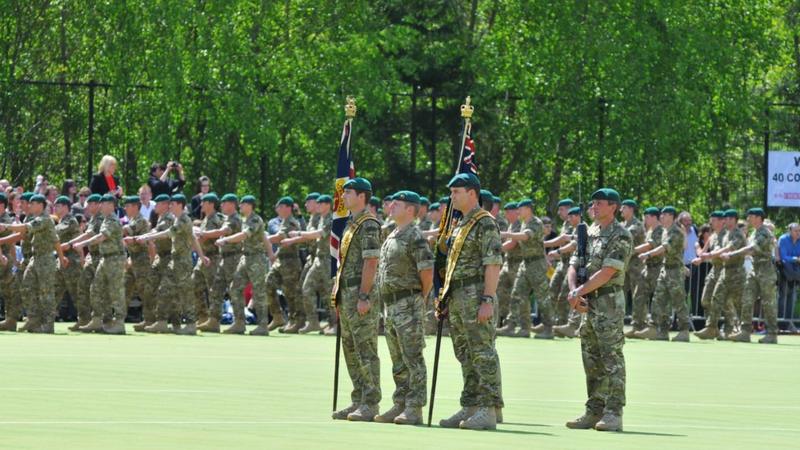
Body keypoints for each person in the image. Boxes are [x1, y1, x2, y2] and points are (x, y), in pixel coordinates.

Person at [436, 173, 503, 431]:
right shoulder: (460, 223)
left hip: (476, 295)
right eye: (451, 192)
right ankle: (471, 405)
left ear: (472, 193)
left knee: (482, 352)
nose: (452, 197)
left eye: (457, 192)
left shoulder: (485, 222)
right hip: (458, 296)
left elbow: (493, 263)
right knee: (465, 353)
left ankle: (488, 409)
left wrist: (488, 298)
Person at [564, 188, 632, 433]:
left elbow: (608, 272)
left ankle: (613, 413)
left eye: (600, 203)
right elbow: (574, 264)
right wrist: (575, 290)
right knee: (590, 359)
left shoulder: (620, 235)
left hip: (608, 302)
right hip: (588, 302)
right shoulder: (588, 232)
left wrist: (579, 291)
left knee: (611, 359)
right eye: (593, 204)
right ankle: (594, 410)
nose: (594, 207)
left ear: (613, 207)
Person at [373, 191, 433, 425]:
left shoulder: (415, 236)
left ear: (410, 209)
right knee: (397, 359)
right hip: (390, 304)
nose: (390, 207)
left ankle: (414, 407)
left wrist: (420, 299)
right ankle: (400, 402)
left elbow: (426, 272)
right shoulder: (392, 235)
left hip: (408, 304)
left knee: (412, 356)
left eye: (396, 204)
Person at [331, 177, 382, 422]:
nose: (343, 196)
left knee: (365, 349)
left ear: (362, 196)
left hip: (360, 294)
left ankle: (370, 403)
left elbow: (370, 261)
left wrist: (364, 295)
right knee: (350, 349)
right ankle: (358, 398)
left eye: (348, 192)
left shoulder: (369, 223)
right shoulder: (352, 222)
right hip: (347, 293)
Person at [137, 194, 209, 335]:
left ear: (180, 205)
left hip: (183, 262)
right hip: (175, 261)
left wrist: (148, 236)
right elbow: (193, 238)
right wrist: (202, 256)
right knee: (164, 290)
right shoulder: (178, 219)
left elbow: (169, 233)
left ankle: (190, 324)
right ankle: (162, 322)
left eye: (173, 204)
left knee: (186, 293)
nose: (170, 206)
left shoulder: (183, 220)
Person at [0, 194, 68, 334]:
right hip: (34, 259)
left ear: (40, 205)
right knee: (26, 287)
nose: (29, 206)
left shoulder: (44, 219)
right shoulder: (37, 219)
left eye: (32, 203)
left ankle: (48, 325)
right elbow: (55, 240)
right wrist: (61, 258)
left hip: (45, 259)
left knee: (46, 292)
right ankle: (33, 319)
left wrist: (5, 226)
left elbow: (25, 229)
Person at [72, 195, 127, 334]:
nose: (100, 206)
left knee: (116, 291)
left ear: (111, 205)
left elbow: (101, 237)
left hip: (115, 259)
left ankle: (119, 322)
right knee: (96, 289)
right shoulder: (106, 219)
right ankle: (97, 319)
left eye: (103, 204)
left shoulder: (112, 220)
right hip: (105, 258)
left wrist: (82, 244)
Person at [215, 195, 269, 335]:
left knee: (259, 291)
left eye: (243, 204)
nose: (240, 206)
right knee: (235, 288)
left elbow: (245, 235)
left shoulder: (255, 219)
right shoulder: (246, 220)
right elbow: (265, 238)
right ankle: (239, 322)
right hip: (246, 258)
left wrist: (225, 240)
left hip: (256, 259)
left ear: (250, 205)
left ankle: (263, 325)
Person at [722, 208, 778, 343]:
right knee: (746, 299)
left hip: (766, 271)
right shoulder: (754, 233)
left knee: (768, 303)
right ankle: (745, 331)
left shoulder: (765, 233)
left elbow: (751, 249)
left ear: (759, 217)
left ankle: (772, 334)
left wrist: (732, 254)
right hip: (754, 269)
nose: (748, 219)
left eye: (751, 216)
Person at [636, 206, 691, 342]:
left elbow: (664, 247)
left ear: (671, 216)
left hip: (675, 271)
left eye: (664, 215)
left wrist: (648, 254)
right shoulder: (666, 231)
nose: (661, 217)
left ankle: (684, 331)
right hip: (665, 269)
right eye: (661, 215)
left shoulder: (676, 232)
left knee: (678, 301)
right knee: (659, 300)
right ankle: (660, 329)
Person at [280, 194, 333, 335]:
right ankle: (313, 321)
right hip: (317, 259)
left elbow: (317, 234)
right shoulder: (320, 218)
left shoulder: (330, 219)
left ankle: (334, 323)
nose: (317, 206)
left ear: (327, 205)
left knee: (329, 292)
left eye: (320, 203)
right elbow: (310, 237)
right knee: (306, 288)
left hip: (328, 259)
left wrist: (295, 236)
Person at [499, 198, 548, 338]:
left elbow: (525, 236)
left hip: (537, 264)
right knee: (517, 294)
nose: (518, 211)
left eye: (520, 209)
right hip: (525, 263)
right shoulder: (523, 223)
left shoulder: (536, 223)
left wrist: (506, 234)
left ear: (528, 209)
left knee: (542, 296)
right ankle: (517, 326)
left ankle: (548, 328)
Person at [199, 194, 244, 333]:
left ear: (232, 204)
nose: (222, 205)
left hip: (233, 258)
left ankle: (240, 322)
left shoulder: (235, 219)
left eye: (224, 203)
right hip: (224, 258)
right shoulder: (228, 218)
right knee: (216, 289)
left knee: (234, 290)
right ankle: (213, 320)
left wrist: (202, 234)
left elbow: (222, 232)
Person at [703, 209, 746, 339]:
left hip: (737, 272)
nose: (725, 221)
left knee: (737, 303)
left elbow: (729, 248)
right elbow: (721, 249)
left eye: (728, 219)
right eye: (725, 219)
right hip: (725, 271)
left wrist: (710, 254)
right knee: (716, 299)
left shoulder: (738, 234)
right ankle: (711, 328)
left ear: (734, 220)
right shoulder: (726, 234)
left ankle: (741, 331)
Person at [63, 194, 103, 331]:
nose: (86, 208)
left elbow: (90, 234)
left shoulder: (101, 218)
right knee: (83, 287)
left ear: (97, 204)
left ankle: (101, 319)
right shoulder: (93, 219)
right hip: (92, 257)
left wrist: (72, 242)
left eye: (89, 204)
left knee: (97, 290)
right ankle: (84, 319)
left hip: (100, 257)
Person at [265, 196, 303, 333]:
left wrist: (261, 239)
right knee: (268, 283)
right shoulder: (284, 221)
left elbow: (279, 238)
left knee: (290, 292)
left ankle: (295, 321)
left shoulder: (291, 222)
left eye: (281, 206)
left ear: (288, 208)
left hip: (290, 262)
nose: (278, 209)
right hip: (281, 260)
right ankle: (277, 316)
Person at [191, 193, 225, 330]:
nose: (201, 205)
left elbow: (205, 238)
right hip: (203, 256)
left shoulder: (215, 219)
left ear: (211, 204)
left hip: (212, 258)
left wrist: (191, 241)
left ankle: (214, 321)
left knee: (213, 290)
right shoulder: (206, 219)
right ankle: (203, 317)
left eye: (204, 202)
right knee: (194, 284)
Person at [120, 196, 153, 333]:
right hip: (133, 259)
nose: (125, 209)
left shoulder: (140, 220)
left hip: (142, 260)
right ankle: (118, 319)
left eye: (127, 206)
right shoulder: (133, 219)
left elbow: (126, 231)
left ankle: (150, 320)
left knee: (144, 291)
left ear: (135, 207)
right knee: (125, 288)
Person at [629, 207, 663, 338]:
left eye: (647, 217)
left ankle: (655, 327)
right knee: (638, 295)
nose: (645, 220)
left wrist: (632, 250)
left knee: (657, 299)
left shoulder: (660, 231)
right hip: (647, 268)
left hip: (657, 268)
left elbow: (649, 246)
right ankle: (637, 325)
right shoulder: (650, 230)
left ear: (654, 217)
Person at [693, 211, 727, 339]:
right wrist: (698, 252)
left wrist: (707, 256)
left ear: (721, 221)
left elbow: (720, 251)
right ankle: (713, 329)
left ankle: (717, 328)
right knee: (705, 300)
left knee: (723, 302)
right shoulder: (712, 236)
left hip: (725, 270)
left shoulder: (726, 235)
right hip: (714, 270)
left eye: (713, 220)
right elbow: (702, 252)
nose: (711, 223)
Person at [53, 196, 82, 323]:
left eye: (58, 205)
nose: (55, 208)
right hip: (62, 259)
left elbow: (55, 234)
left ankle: (84, 319)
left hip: (71, 261)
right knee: (55, 290)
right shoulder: (61, 221)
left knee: (76, 292)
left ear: (65, 207)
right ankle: (47, 318)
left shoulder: (70, 220)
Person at [496, 202, 521, 334]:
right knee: (501, 291)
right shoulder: (512, 225)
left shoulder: (519, 224)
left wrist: (496, 249)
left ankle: (514, 323)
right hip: (508, 262)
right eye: (506, 212)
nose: (506, 214)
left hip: (517, 264)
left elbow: (513, 243)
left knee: (516, 294)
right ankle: (502, 320)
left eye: (509, 211)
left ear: (516, 212)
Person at [620, 200, 645, 332]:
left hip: (635, 265)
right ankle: (618, 322)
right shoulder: (622, 224)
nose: (620, 211)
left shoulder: (636, 225)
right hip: (624, 265)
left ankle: (638, 325)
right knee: (620, 294)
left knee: (637, 295)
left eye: (623, 208)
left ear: (630, 209)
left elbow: (625, 237)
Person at [0, 193, 21, 331]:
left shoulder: (4, 221)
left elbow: (11, 242)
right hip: (5, 258)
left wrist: (13, 260)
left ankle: (11, 320)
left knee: (9, 291)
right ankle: (10, 320)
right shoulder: (6, 220)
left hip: (3, 259)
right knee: (8, 290)